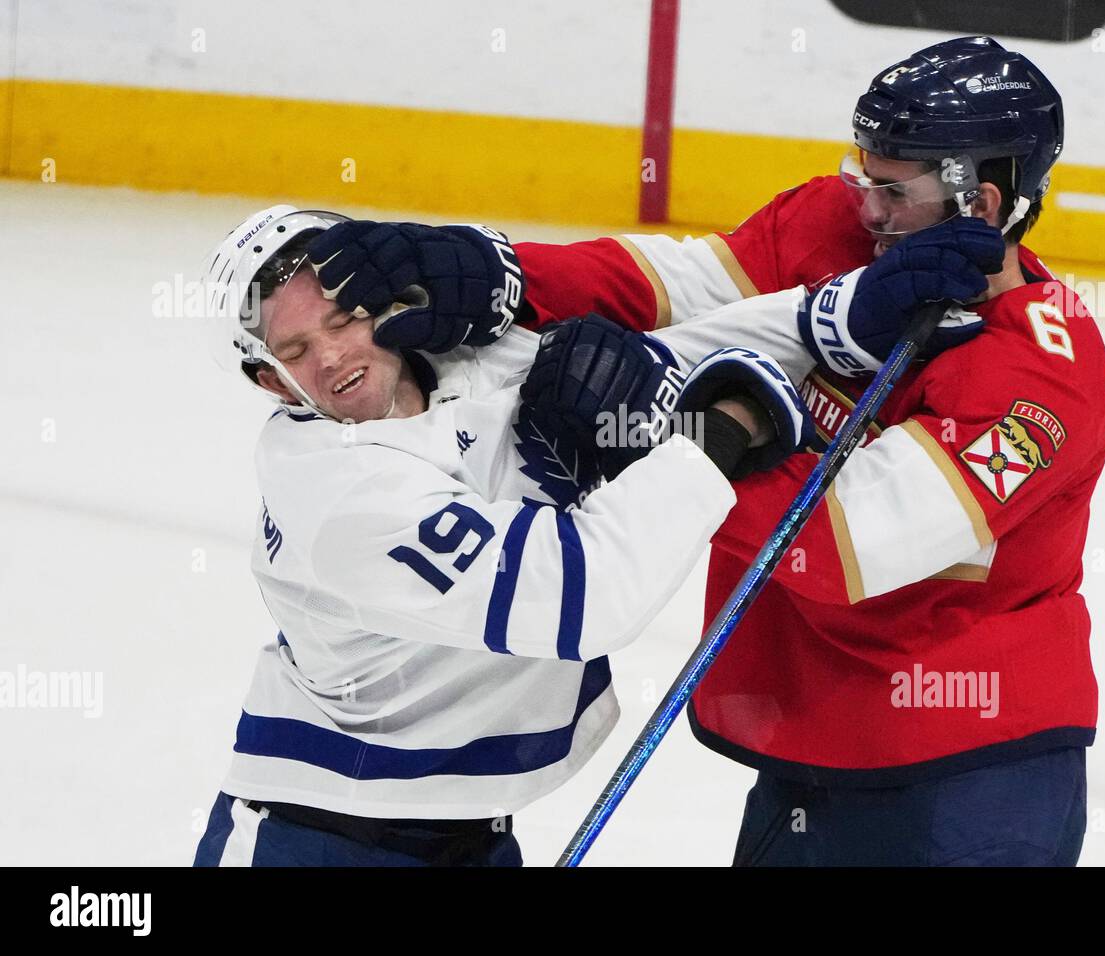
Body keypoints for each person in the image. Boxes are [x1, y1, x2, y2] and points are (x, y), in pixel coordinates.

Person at [316, 35, 1105, 866]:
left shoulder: (1042, 380)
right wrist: (499, 274)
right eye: (861, 177)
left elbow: (844, 546)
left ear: (980, 205)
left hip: (969, 782)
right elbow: (666, 289)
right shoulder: (836, 229)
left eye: (890, 189)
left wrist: (661, 428)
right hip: (821, 744)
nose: (865, 207)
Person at [190, 205, 819, 866]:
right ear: (270, 381)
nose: (333, 356)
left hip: (467, 828)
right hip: (322, 840)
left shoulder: (461, 359)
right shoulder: (337, 494)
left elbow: (671, 335)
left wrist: (838, 318)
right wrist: (718, 432)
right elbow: (588, 597)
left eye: (343, 319)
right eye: (295, 351)